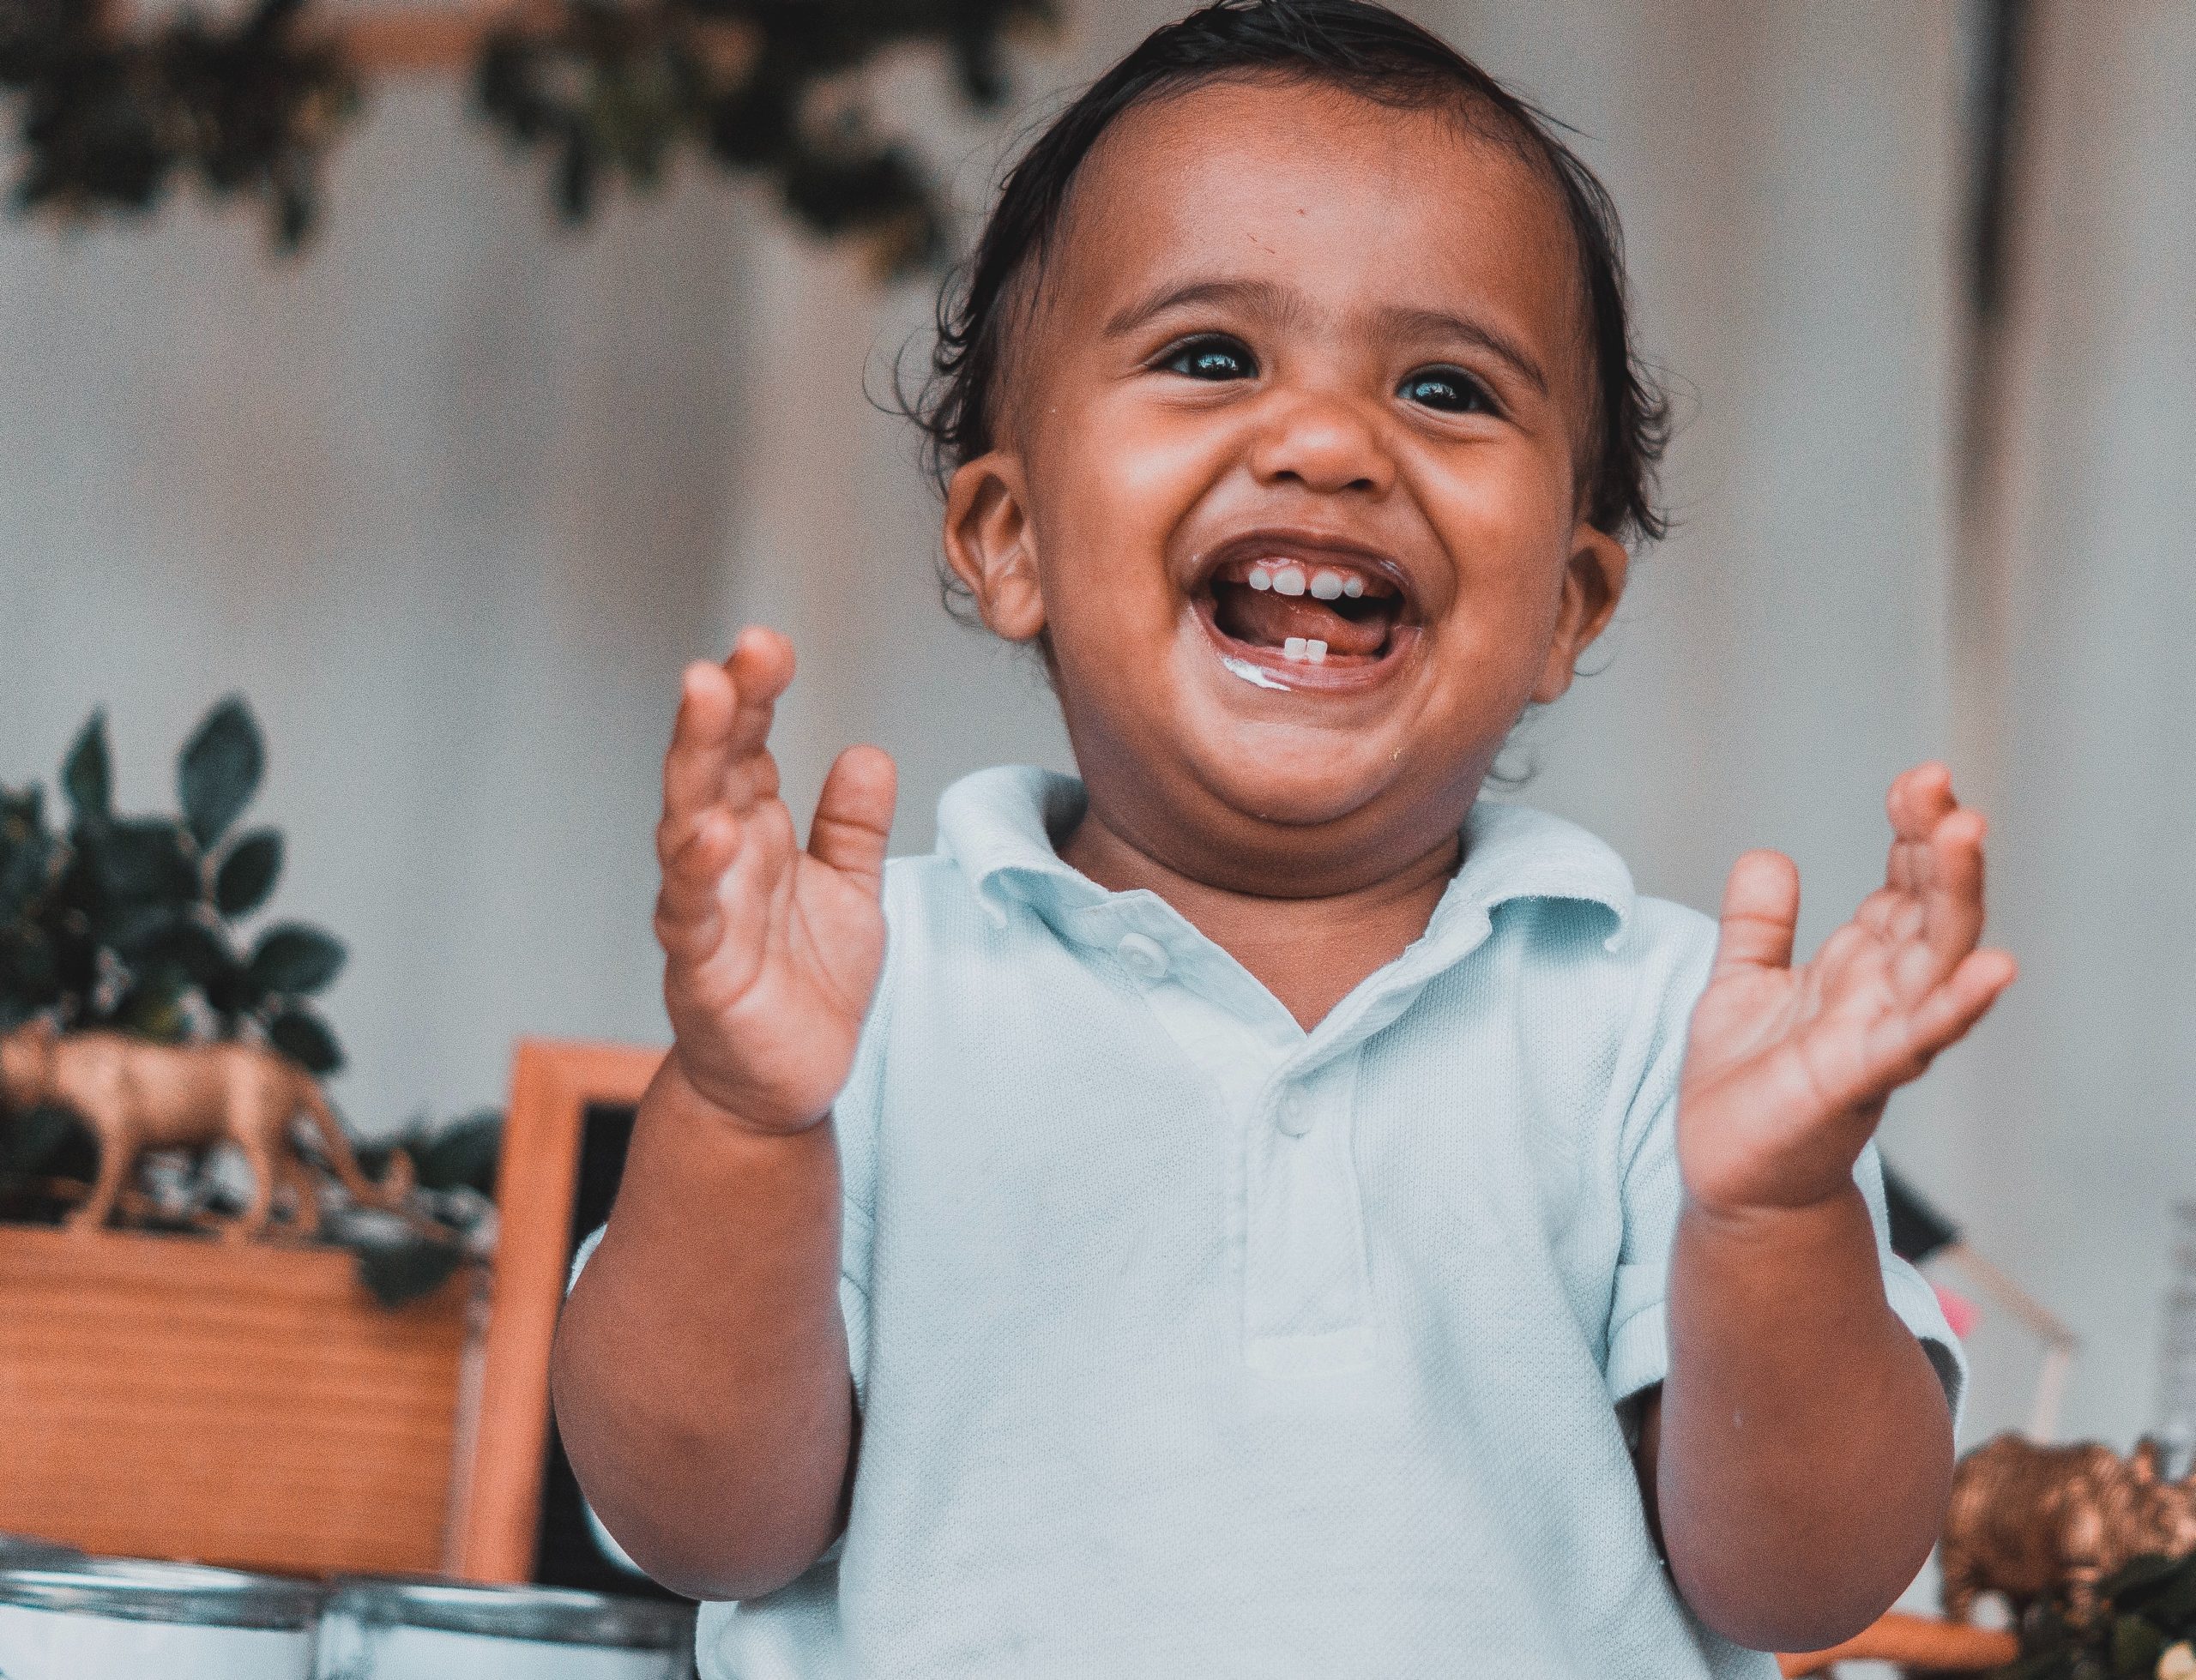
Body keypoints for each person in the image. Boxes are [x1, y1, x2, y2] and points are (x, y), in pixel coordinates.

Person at [551, 3, 2017, 1674]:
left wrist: (1772, 1214)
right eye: (1209, 355)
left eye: (1445, 386)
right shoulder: (872, 991)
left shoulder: (1662, 1030)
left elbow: (1806, 1579)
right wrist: (743, 1117)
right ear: (1007, 533)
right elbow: (698, 1514)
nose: (1327, 442)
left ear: (1566, 601)